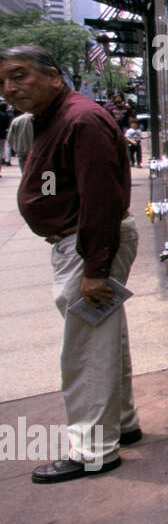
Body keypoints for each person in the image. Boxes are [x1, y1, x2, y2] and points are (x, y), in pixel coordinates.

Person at [0, 46, 139, 482]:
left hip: (86, 245)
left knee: (85, 351)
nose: (10, 87)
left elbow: (102, 198)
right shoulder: (54, 118)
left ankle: (94, 449)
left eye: (19, 76)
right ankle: (122, 422)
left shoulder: (80, 119)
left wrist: (95, 268)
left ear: (54, 76)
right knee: (104, 340)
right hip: (81, 244)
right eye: (3, 81)